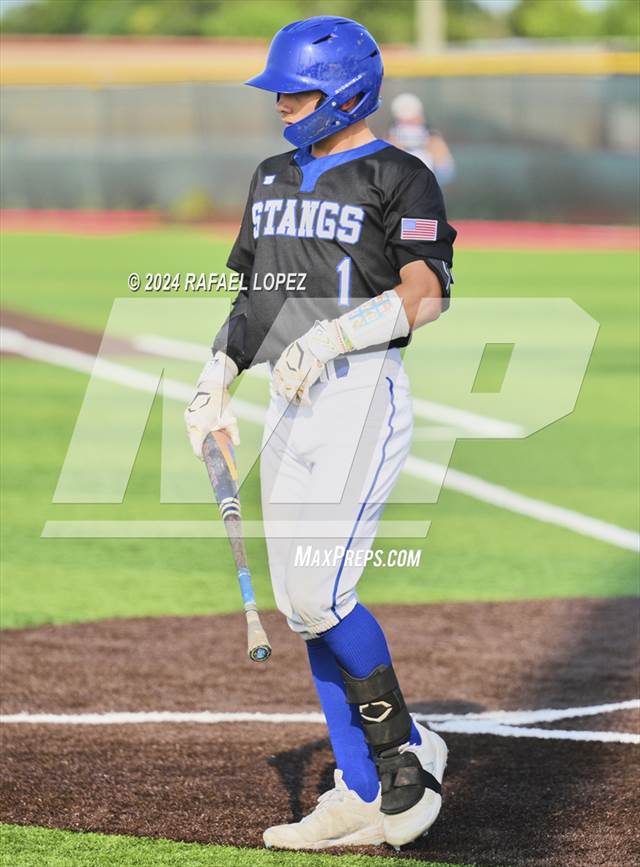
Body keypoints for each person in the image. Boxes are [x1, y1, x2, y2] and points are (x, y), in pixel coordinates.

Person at [185, 16, 456, 851]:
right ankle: (361, 790)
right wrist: (219, 374)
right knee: (305, 609)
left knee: (317, 594)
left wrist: (336, 334)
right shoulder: (272, 177)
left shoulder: (400, 175)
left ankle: (403, 751)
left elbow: (427, 294)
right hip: (292, 403)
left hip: (360, 391)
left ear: (344, 91)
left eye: (294, 91)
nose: (280, 106)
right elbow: (257, 300)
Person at [388, 92, 456, 186]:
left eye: (412, 121)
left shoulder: (433, 139)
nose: (409, 127)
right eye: (405, 122)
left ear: (421, 118)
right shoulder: (389, 141)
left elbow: (445, 176)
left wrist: (441, 157)